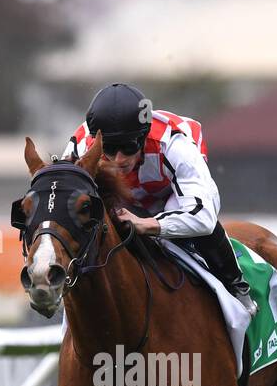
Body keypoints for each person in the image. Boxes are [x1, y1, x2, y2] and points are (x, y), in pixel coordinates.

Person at [62, 83, 257, 316]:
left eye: (128, 146)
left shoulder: (175, 144)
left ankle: (235, 285)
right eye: (109, 149)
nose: (118, 159)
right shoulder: (81, 147)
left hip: (171, 194)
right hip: (123, 199)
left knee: (186, 231)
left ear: (144, 137)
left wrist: (148, 224)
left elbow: (204, 216)